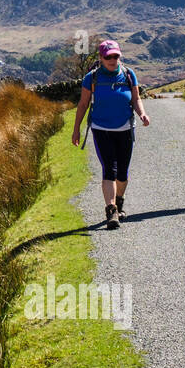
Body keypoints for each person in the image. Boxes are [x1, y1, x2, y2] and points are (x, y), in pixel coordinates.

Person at [72, 40, 151, 229]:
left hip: (125, 129)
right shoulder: (91, 78)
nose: (113, 60)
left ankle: (119, 200)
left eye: (116, 56)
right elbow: (83, 105)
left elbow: (136, 98)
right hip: (101, 129)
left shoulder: (128, 75)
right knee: (109, 169)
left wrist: (142, 114)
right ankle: (111, 210)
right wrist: (76, 129)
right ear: (101, 58)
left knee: (122, 173)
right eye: (108, 56)